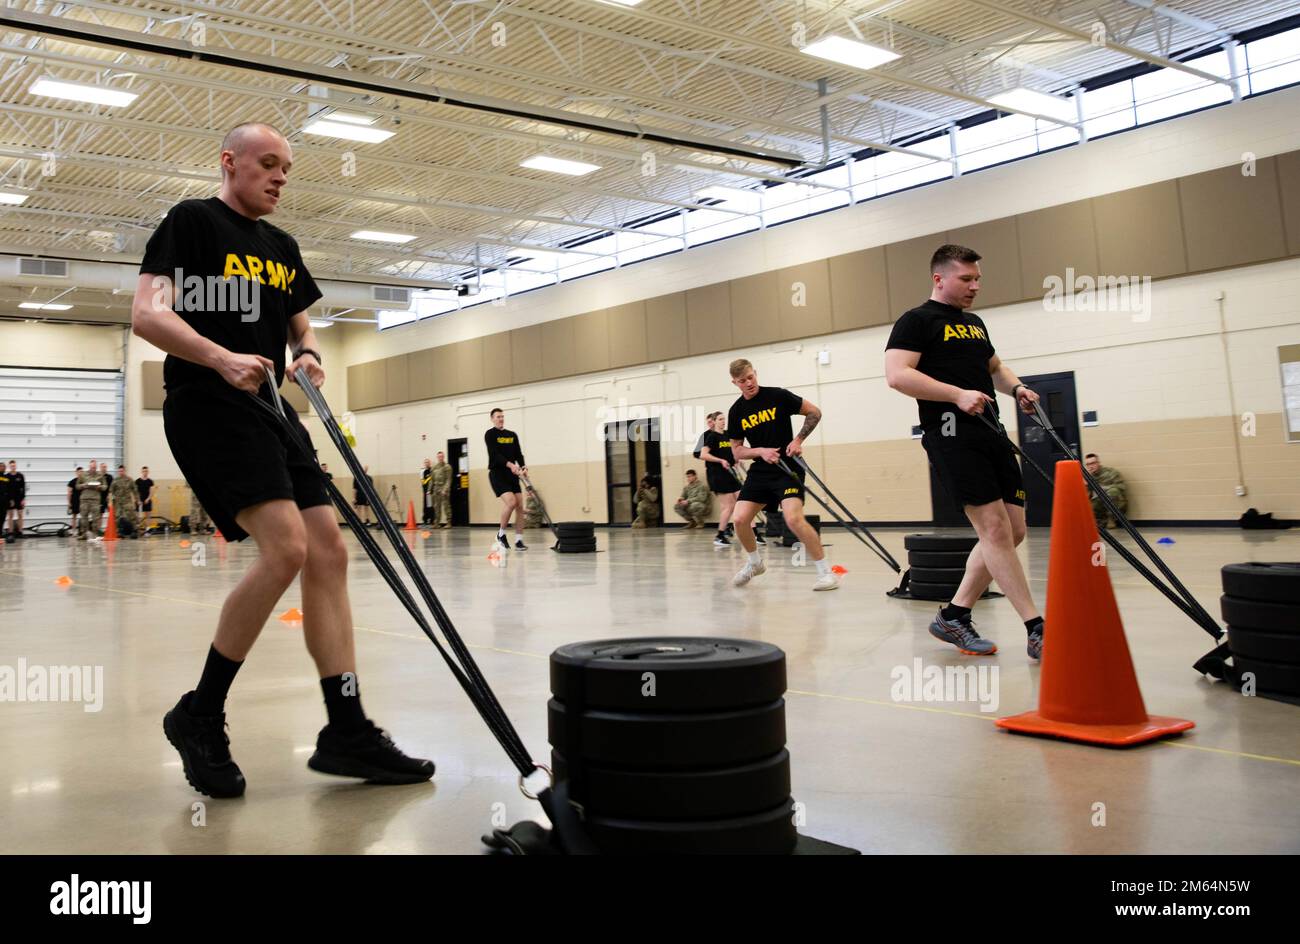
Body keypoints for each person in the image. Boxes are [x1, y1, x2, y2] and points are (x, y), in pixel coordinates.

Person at [131, 121, 432, 799]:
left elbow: (301, 322)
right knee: (288, 548)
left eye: (287, 169)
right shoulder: (192, 223)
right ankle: (199, 714)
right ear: (229, 162)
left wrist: (312, 354)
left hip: (271, 406)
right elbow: (147, 316)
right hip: (209, 401)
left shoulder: (281, 247)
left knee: (329, 550)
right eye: (267, 164)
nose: (279, 178)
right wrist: (219, 355)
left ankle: (346, 728)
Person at [884, 243, 1044, 660]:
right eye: (966, 279)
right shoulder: (916, 321)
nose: (975, 286)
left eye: (977, 279)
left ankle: (954, 615)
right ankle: (1036, 627)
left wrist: (1019, 388)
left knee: (1014, 529)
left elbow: (995, 369)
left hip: (991, 431)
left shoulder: (974, 323)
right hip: (951, 434)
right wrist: (956, 395)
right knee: (993, 530)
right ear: (939, 279)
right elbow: (897, 376)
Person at [726, 360, 838, 591]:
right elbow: (737, 450)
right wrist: (760, 451)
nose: (748, 383)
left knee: (793, 519)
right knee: (739, 519)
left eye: (750, 377)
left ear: (755, 373)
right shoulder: (736, 411)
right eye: (742, 381)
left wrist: (798, 440)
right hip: (761, 470)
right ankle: (755, 563)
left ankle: (826, 573)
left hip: (788, 467)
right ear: (734, 383)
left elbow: (814, 412)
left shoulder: (778, 396)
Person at [485, 408, 528, 551]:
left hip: (512, 475)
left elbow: (518, 454)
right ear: (492, 418)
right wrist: (510, 465)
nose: (501, 419)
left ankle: (519, 540)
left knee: (520, 506)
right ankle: (501, 534)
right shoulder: (490, 434)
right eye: (498, 417)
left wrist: (523, 467)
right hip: (498, 474)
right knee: (511, 502)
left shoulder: (512, 435)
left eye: (502, 416)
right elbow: (495, 455)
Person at [699, 412, 741, 547]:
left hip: (730, 473)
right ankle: (720, 535)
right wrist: (720, 460)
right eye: (720, 419)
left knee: (740, 501)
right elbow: (703, 454)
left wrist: (736, 460)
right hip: (718, 475)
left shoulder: (727, 435)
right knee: (728, 506)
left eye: (724, 419)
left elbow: (732, 452)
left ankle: (747, 531)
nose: (723, 422)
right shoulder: (712, 437)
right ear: (714, 421)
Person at [1084, 453, 1127, 529]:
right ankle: (1101, 521)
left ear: (1098, 463)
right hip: (1098, 502)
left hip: (1116, 503)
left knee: (1113, 491)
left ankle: (1111, 519)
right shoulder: (1087, 477)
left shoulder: (1111, 473)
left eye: (1093, 463)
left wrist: (1103, 488)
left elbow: (1121, 487)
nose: (1090, 466)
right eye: (1088, 464)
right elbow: (1085, 496)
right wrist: (1086, 485)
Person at [77, 461, 106, 540]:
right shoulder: (83, 475)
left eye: (94, 467)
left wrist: (100, 487)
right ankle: (84, 534)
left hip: (95, 499)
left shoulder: (100, 475)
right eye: (92, 467)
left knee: (95, 518)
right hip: (85, 499)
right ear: (89, 467)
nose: (93, 469)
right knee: (84, 518)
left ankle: (95, 534)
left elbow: (105, 486)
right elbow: (77, 486)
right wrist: (83, 485)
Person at [110, 464, 140, 538]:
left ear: (124, 471)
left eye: (122, 471)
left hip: (127, 501)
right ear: (118, 471)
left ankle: (135, 531)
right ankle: (120, 532)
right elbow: (111, 491)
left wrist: (137, 500)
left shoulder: (129, 479)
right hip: (118, 502)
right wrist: (110, 501)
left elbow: (135, 490)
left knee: (132, 516)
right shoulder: (115, 480)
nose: (121, 472)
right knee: (118, 517)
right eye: (119, 471)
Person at [430, 451, 452, 528]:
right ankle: (437, 523)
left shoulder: (447, 467)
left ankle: (449, 522)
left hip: (443, 488)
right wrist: (429, 490)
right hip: (436, 488)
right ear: (437, 457)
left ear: (444, 457)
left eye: (441, 456)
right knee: (436, 506)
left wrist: (445, 489)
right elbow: (431, 480)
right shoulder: (434, 467)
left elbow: (448, 480)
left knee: (446, 505)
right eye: (439, 457)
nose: (440, 458)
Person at [2, 460, 21, 541]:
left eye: (14, 465)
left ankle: (19, 532)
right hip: (7, 500)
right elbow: (5, 488)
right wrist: (10, 499)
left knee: (19, 515)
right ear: (10, 467)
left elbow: (21, 487)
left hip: (14, 499)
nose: (13, 467)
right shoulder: (6, 476)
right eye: (11, 466)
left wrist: (21, 499)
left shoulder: (19, 476)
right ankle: (9, 532)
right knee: (9, 516)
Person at [136, 466, 156, 531]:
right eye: (144, 471)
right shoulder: (137, 481)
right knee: (138, 516)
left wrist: (148, 498)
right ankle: (138, 529)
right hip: (139, 500)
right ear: (141, 472)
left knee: (148, 516)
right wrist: (138, 500)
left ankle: (147, 529)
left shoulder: (150, 481)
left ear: (148, 472)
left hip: (147, 500)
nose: (145, 472)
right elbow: (136, 492)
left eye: (146, 471)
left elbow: (152, 491)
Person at [68, 466, 83, 533]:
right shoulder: (72, 482)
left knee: (84, 516)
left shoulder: (84, 482)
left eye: (82, 472)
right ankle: (73, 531)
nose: (81, 473)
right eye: (79, 472)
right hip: (75, 501)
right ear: (76, 472)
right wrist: (69, 502)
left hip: (83, 501)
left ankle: (83, 531)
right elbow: (69, 493)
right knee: (74, 516)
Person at [419, 458, 435, 525]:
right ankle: (425, 520)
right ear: (424, 463)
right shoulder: (422, 471)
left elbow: (432, 480)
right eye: (425, 462)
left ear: (430, 463)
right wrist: (426, 490)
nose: (427, 463)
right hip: (425, 490)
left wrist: (429, 490)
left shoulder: (432, 470)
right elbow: (423, 481)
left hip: (431, 490)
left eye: (428, 462)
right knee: (426, 505)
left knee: (430, 505)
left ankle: (431, 520)